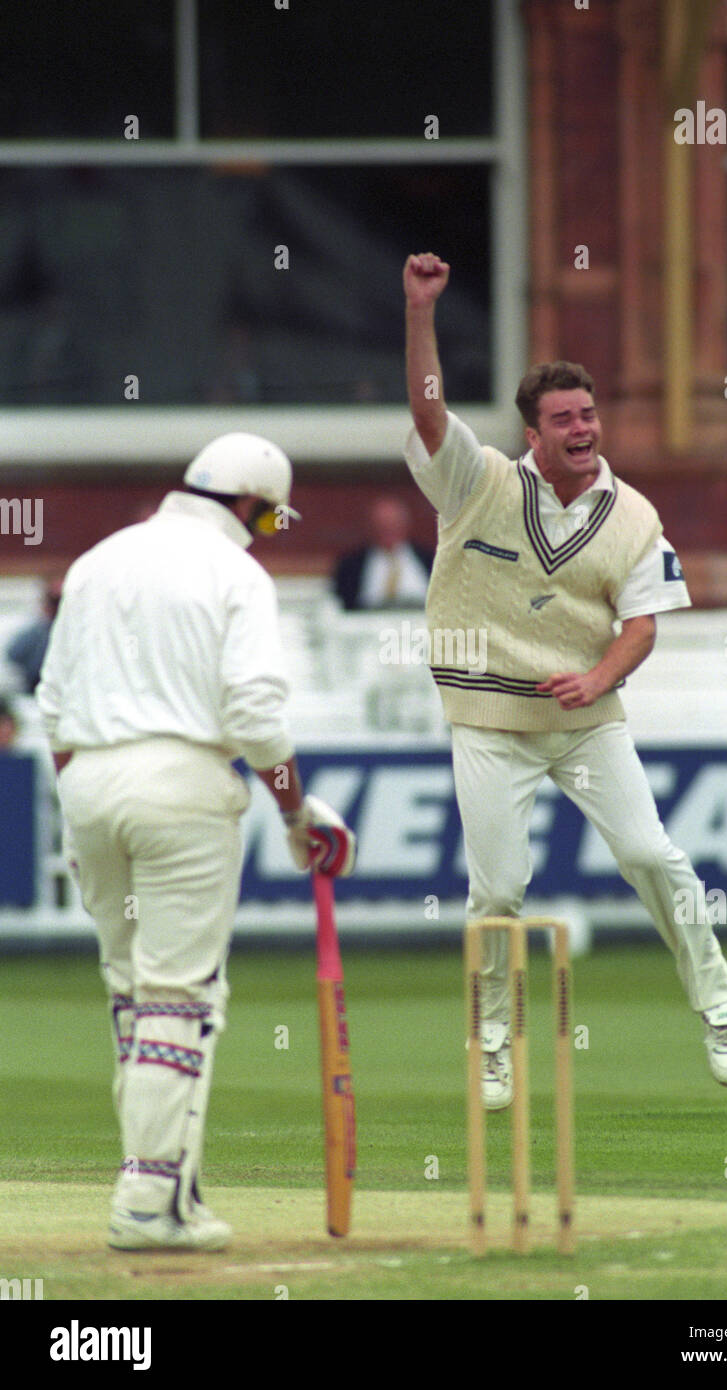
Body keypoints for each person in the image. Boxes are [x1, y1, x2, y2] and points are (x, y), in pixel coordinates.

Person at [402, 252, 727, 1109]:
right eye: (563, 418)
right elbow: (428, 408)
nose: (582, 428)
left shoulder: (633, 516)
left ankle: (721, 1009)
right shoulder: (477, 483)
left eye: (589, 413)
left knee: (648, 854)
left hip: (586, 721)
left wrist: (597, 679)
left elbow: (641, 626)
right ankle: (491, 1043)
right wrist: (420, 312)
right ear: (533, 434)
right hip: (488, 716)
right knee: (498, 890)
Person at [36, 432, 356, 1251]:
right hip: (182, 787)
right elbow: (253, 714)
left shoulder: (100, 560)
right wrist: (292, 814)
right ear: (249, 503)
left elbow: (52, 702)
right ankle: (148, 1201)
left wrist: (88, 787)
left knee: (132, 993)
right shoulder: (236, 572)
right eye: (271, 519)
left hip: (86, 782)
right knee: (179, 998)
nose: (267, 532)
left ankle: (172, 1182)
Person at [333, 495, 433, 610]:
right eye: (382, 524)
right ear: (371, 526)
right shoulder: (350, 565)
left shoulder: (430, 559)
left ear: (405, 524)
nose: (388, 529)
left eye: (393, 524)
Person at [6, 577, 63, 694]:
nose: (58, 607)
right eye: (55, 602)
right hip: (35, 693)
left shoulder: (78, 632)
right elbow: (14, 655)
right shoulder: (35, 633)